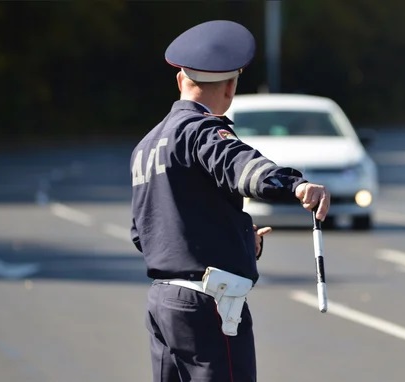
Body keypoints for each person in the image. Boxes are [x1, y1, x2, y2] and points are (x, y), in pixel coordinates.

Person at [130, 20, 330, 382]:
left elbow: (145, 231)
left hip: (162, 301)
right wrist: (297, 186)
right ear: (231, 86)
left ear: (180, 80)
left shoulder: (146, 145)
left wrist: (236, 240)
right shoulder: (201, 131)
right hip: (207, 306)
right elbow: (245, 170)